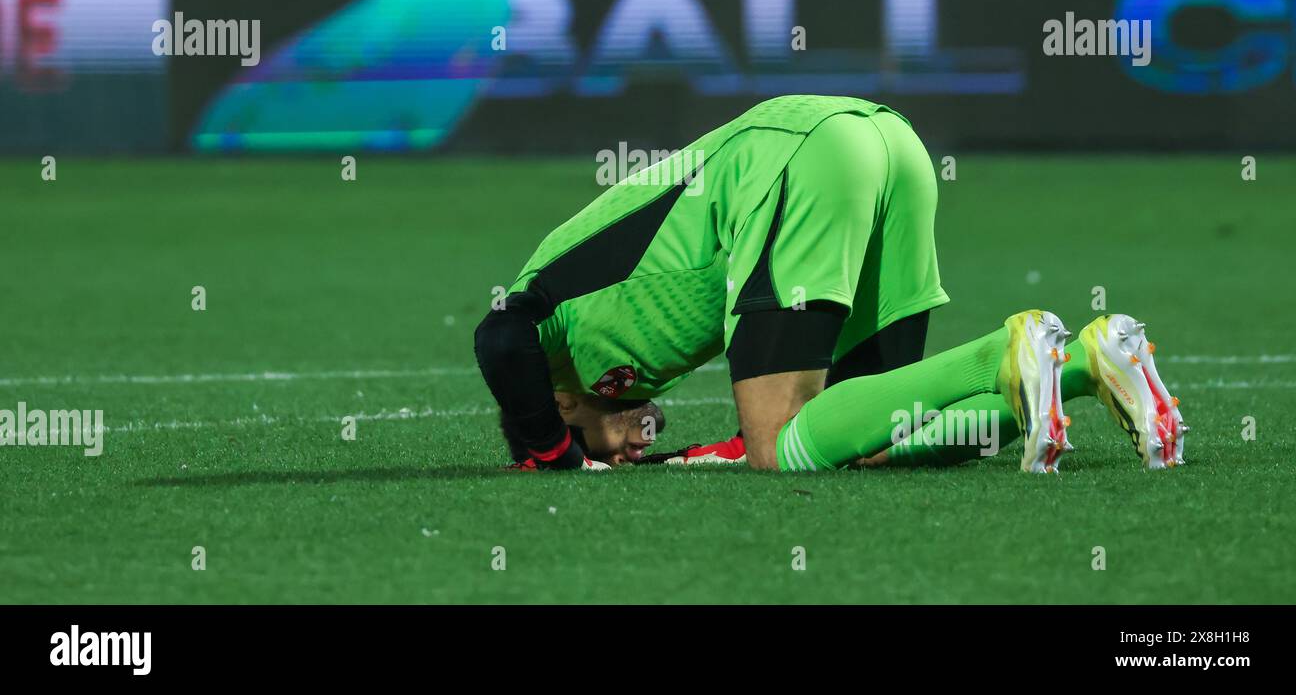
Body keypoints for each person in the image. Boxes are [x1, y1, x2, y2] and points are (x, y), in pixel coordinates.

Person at [474, 94, 1188, 473]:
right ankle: (1087, 365)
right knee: (878, 440)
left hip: (799, 157)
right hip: (891, 146)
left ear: (560, 401)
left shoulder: (547, 316)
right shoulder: (617, 360)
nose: (623, 451)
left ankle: (1006, 348)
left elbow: (497, 338)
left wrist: (554, 458)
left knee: (776, 450)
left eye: (596, 442)